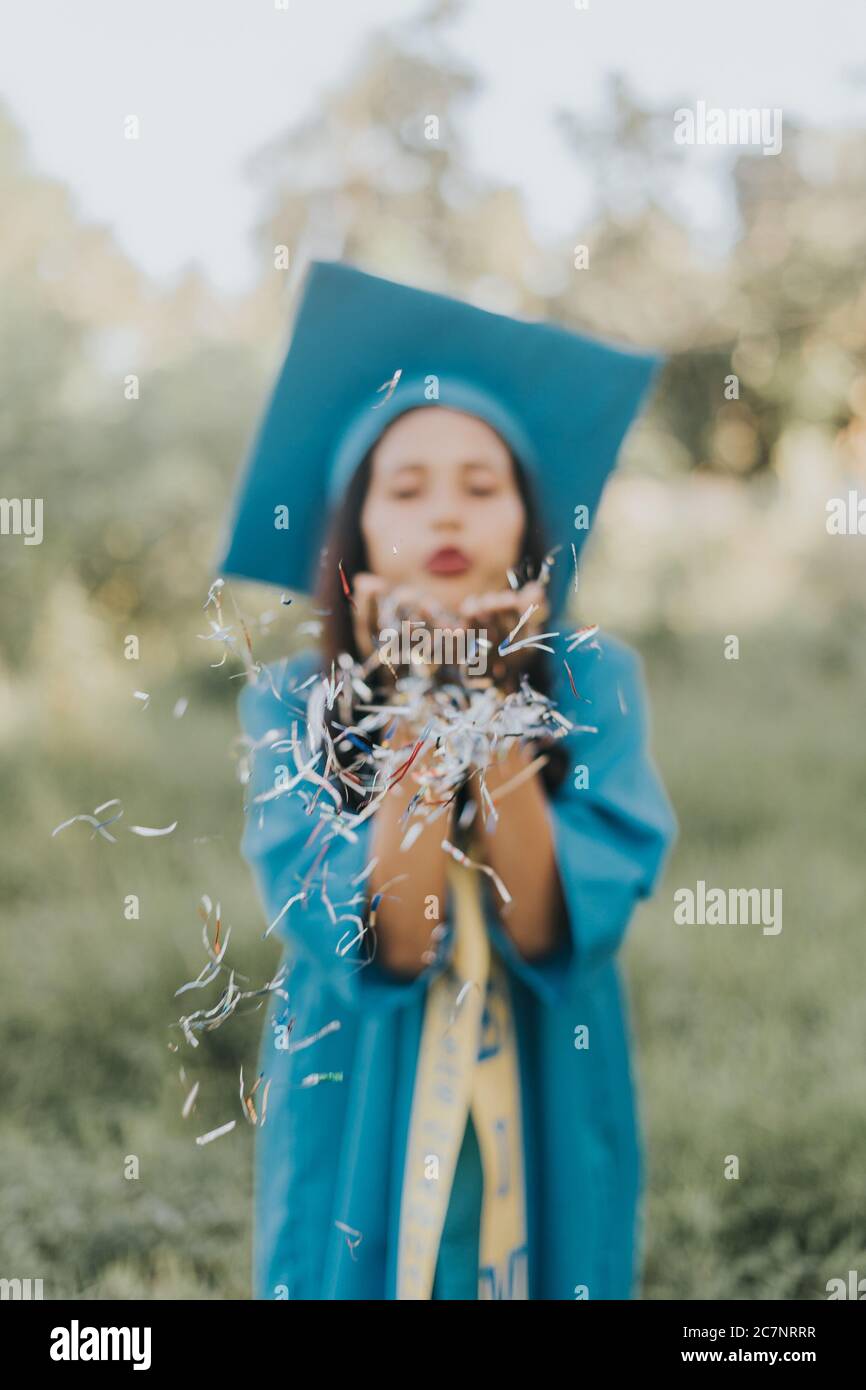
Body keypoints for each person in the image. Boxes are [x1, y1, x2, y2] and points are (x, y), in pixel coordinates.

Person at [215, 260, 678, 1300]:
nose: (446, 515)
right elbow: (400, 933)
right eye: (406, 487)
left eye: (482, 485)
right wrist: (418, 700)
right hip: (360, 1077)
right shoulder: (292, 702)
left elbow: (544, 926)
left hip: (545, 1058)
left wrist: (490, 700)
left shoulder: (594, 679)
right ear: (357, 530)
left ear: (525, 523)